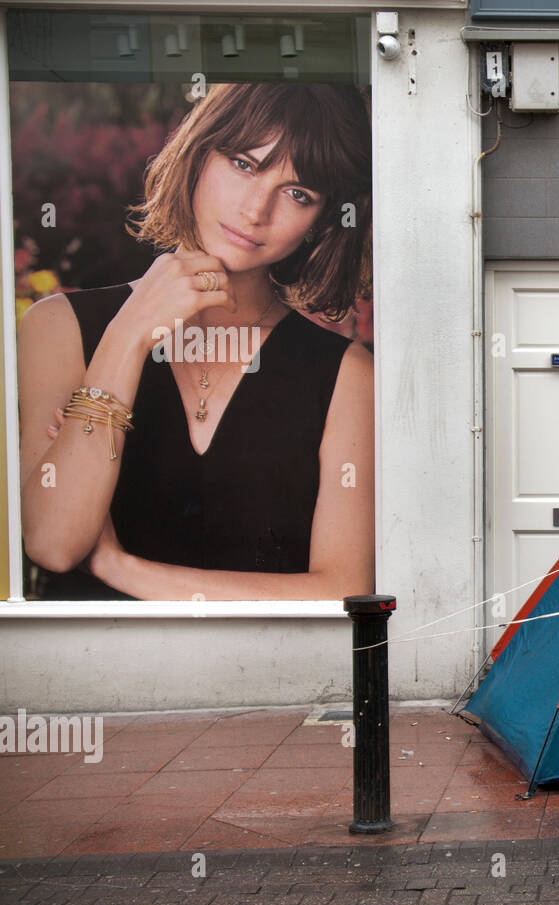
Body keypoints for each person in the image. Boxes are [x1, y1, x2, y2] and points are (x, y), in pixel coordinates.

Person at [17, 83, 374, 600]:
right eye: (244, 165)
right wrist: (130, 332)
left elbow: (344, 591)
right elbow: (53, 543)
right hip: (85, 672)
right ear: (199, 154)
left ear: (320, 222)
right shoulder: (59, 326)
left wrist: (121, 567)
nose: (256, 210)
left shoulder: (345, 375)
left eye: (299, 194)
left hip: (271, 676)